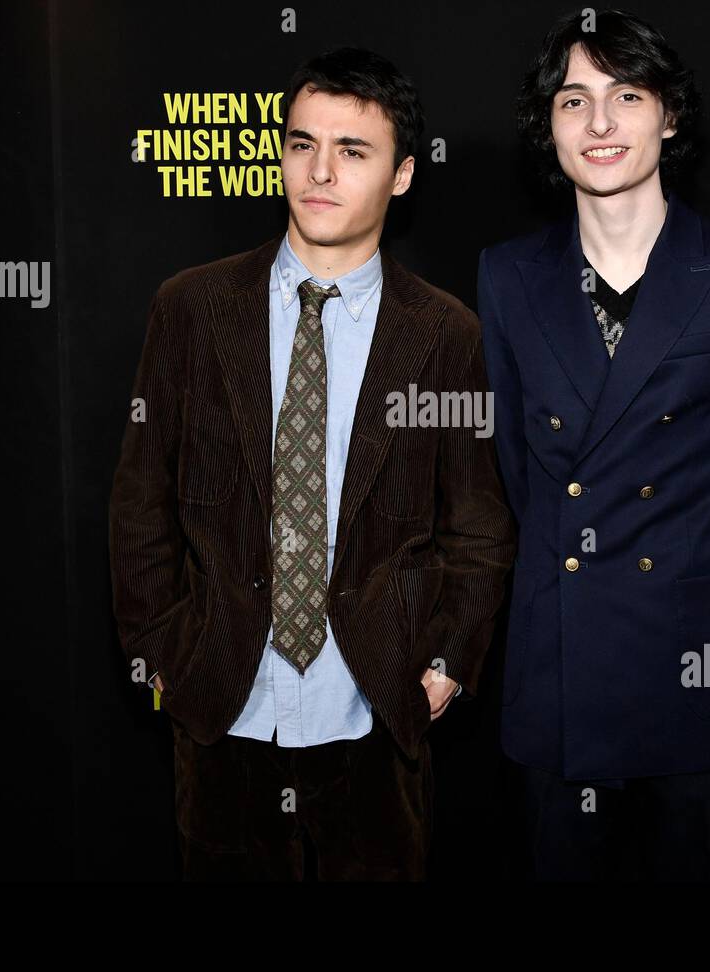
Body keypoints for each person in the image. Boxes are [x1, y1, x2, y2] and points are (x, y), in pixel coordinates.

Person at [109, 46, 516, 881]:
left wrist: (442, 666)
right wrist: (163, 659)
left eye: (352, 151)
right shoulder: (190, 309)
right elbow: (140, 502)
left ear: (402, 175)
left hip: (374, 714)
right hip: (222, 708)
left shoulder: (445, 334)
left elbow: (477, 528)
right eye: (301, 144)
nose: (319, 171)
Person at [477, 10, 710, 881]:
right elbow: (514, 467)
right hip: (562, 673)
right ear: (546, 129)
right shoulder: (506, 275)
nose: (599, 123)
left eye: (627, 96)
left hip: (698, 666)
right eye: (572, 100)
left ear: (668, 116)